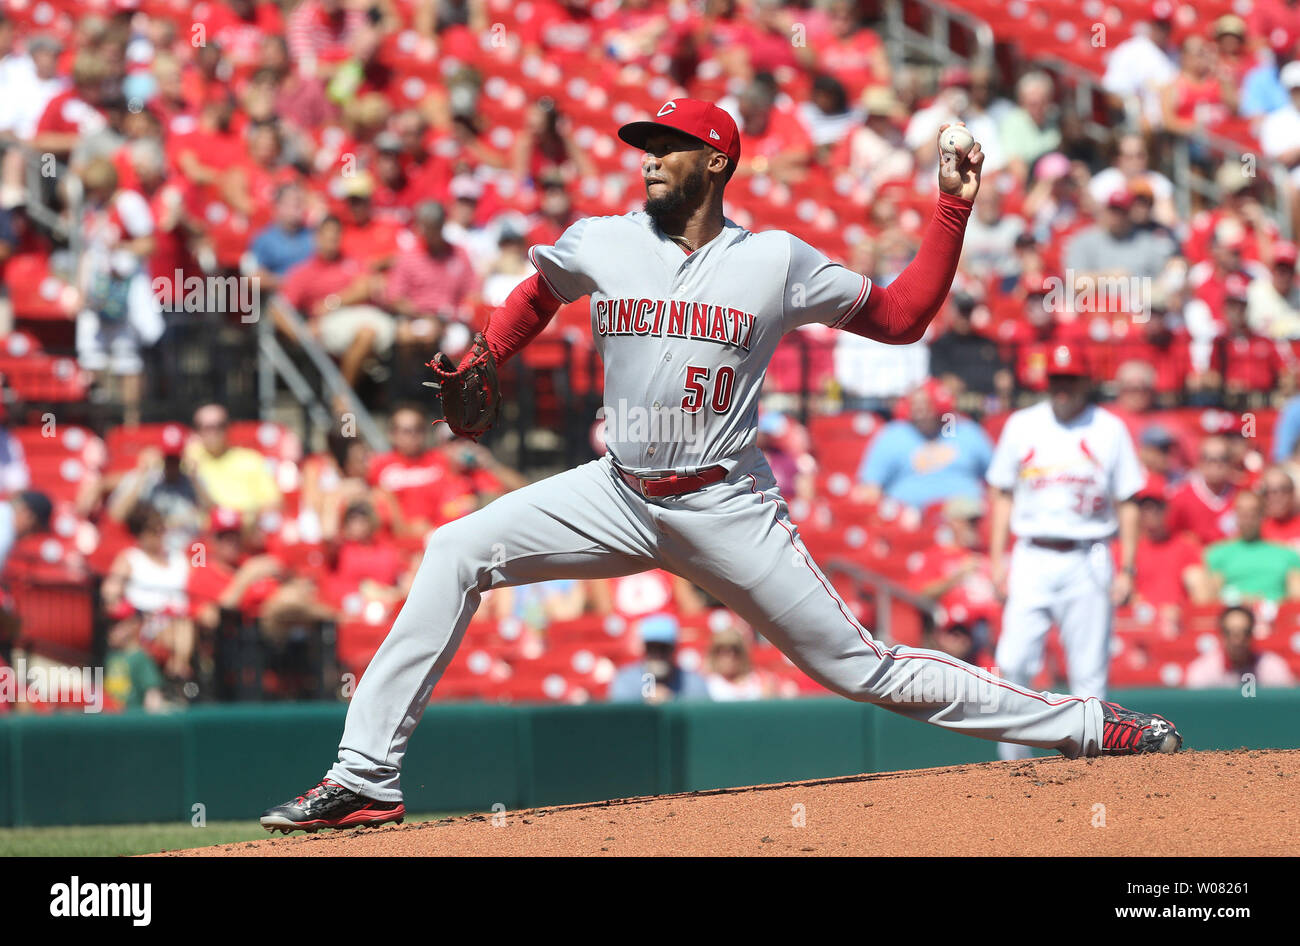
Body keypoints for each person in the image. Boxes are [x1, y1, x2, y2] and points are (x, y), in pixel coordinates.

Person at [262, 98, 1180, 834]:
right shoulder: (604, 237)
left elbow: (901, 318)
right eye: (644, 144)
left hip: (726, 503)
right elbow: (540, 288)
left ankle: (1089, 726)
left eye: (668, 144)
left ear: (718, 161)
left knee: (868, 671)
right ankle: (365, 777)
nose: (649, 157)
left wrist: (950, 209)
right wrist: (489, 354)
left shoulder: (776, 261)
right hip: (614, 491)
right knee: (454, 548)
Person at [986, 342, 1145, 760]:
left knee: (1089, 677)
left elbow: (1129, 501)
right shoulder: (1022, 424)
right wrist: (998, 558)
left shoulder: (1109, 428)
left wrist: (1127, 567)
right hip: (1032, 554)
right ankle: (1011, 769)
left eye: (1069, 379)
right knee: (1014, 662)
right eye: (1055, 380)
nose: (1061, 388)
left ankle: (1089, 773)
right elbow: (1002, 493)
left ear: (1086, 382)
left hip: (1088, 554)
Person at [855, 379, 993, 510]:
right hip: (910, 519)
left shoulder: (965, 430)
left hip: (967, 515)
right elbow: (870, 488)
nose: (920, 410)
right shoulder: (893, 434)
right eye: (915, 404)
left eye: (926, 403)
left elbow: (997, 480)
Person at [1197, 490, 1300, 605]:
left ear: (1262, 515)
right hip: (1234, 614)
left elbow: (1296, 599)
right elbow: (1211, 599)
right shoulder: (1217, 553)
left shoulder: (1287, 554)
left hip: (1275, 613)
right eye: (1242, 513)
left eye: (1253, 512)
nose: (1247, 518)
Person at [186, 403, 280, 521]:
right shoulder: (190, 457)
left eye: (220, 426)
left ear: (228, 427)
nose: (214, 432)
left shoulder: (250, 459)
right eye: (207, 427)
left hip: (243, 531)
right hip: (205, 533)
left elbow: (274, 502)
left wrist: (246, 517)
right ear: (197, 431)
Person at [607, 614, 711, 704]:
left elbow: (701, 720)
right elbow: (619, 720)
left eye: (663, 648)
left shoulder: (692, 681)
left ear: (674, 649)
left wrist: (674, 703)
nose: (657, 654)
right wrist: (644, 704)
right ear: (644, 648)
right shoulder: (626, 680)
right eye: (651, 648)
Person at [1185, 605, 1296, 688]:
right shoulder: (1203, 670)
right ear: (1221, 634)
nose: (1237, 640)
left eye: (1244, 632)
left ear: (1252, 634)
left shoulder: (1272, 666)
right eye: (1229, 632)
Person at [1166, 434, 1240, 545]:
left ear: (1231, 463)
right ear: (1200, 463)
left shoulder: (1241, 496)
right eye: (1209, 459)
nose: (1215, 465)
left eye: (1222, 459)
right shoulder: (1181, 498)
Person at [704, 626, 766, 700]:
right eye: (722, 651)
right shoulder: (707, 685)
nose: (730, 656)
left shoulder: (759, 682)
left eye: (735, 650)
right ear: (714, 654)